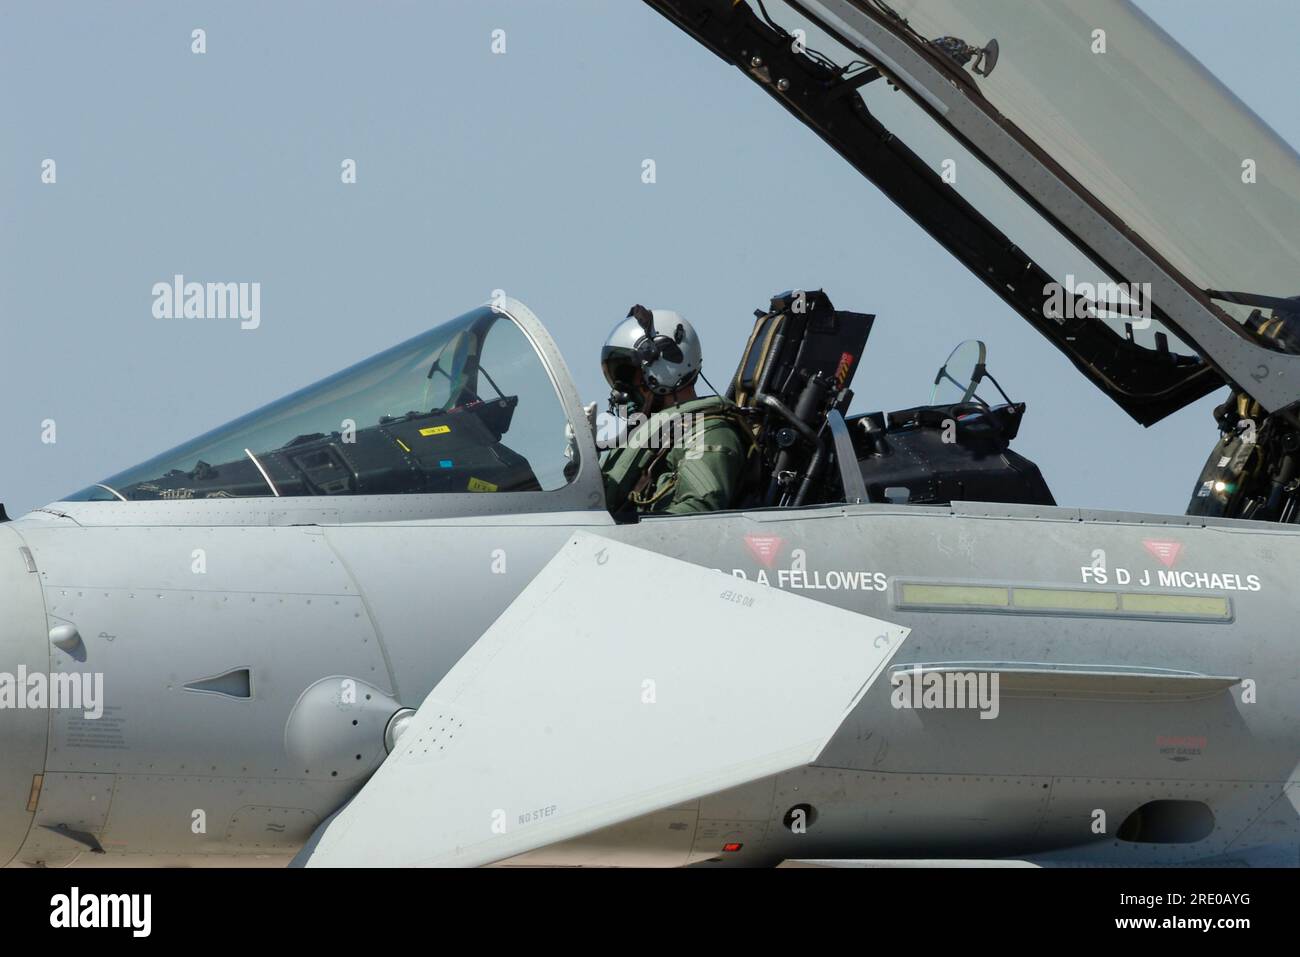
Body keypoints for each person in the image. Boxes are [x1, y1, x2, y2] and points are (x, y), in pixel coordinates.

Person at [599, 305, 752, 516]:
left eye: (629, 376)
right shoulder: (660, 437)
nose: (622, 391)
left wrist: (630, 531)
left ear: (663, 369)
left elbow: (700, 510)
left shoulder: (709, 433)